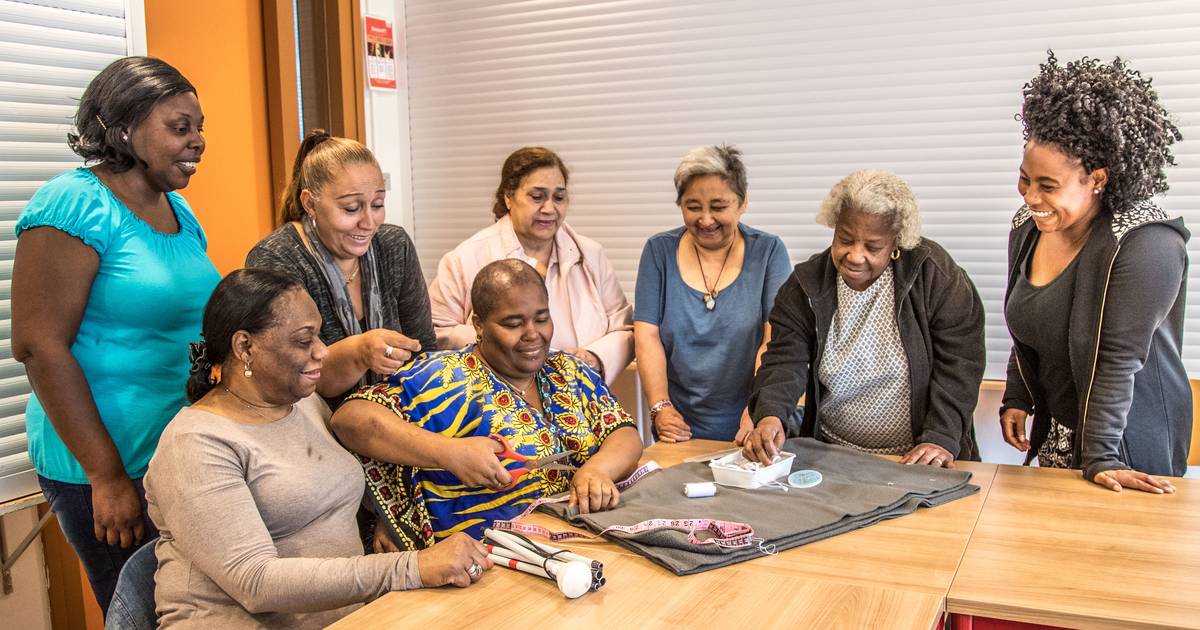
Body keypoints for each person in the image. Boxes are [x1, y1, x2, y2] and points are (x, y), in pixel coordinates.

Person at [145, 269, 490, 629]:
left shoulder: (299, 402)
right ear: (245, 346)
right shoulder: (195, 444)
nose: (322, 351)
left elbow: (330, 484)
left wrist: (383, 519)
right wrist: (413, 567)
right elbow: (257, 583)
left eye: (319, 335)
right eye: (303, 340)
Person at [11, 56, 221, 614]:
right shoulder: (75, 202)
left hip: (168, 453)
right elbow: (38, 344)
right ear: (123, 127)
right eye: (180, 127)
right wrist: (105, 478)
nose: (198, 141)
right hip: (104, 464)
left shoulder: (177, 209)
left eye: (199, 127)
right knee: (140, 613)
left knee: (189, 610)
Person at [331, 259, 643, 549]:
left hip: (584, 549)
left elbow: (623, 433)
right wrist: (448, 452)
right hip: (483, 567)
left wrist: (598, 470)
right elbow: (351, 418)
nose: (533, 334)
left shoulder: (569, 371)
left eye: (542, 318)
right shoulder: (441, 377)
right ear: (479, 325)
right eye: (513, 323)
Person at [999, 52, 1189, 493]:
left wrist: (1101, 454)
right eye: (1025, 179)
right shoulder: (1027, 228)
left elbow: (1117, 359)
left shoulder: (1146, 243)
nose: (1030, 197)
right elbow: (1027, 319)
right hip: (1060, 431)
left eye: (1048, 186)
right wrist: (1018, 395)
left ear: (1098, 179)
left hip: (1127, 444)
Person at [743, 170, 986, 467]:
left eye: (872, 247)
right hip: (833, 455)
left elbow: (960, 364)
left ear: (896, 241)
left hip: (918, 457)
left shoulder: (936, 275)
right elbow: (784, 360)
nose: (855, 256)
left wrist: (940, 437)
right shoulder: (806, 285)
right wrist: (770, 416)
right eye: (845, 240)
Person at [247, 131, 434, 406]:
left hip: (399, 412)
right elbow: (291, 378)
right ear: (310, 203)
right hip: (315, 423)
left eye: (378, 204)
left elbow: (424, 349)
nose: (369, 222)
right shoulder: (276, 260)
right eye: (351, 208)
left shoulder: (395, 245)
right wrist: (359, 352)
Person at [427, 147, 632, 383]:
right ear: (508, 197)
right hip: (496, 400)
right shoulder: (465, 257)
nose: (549, 209)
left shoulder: (591, 254)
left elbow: (623, 328)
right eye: (537, 197)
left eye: (559, 197)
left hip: (582, 394)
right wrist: (512, 351)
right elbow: (438, 332)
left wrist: (594, 358)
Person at [634, 145, 792, 443]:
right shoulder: (658, 252)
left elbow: (775, 341)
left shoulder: (769, 252)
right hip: (680, 429)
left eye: (718, 207)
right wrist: (660, 407)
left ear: (742, 202)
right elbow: (646, 336)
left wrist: (760, 409)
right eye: (693, 207)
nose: (706, 220)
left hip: (753, 425)